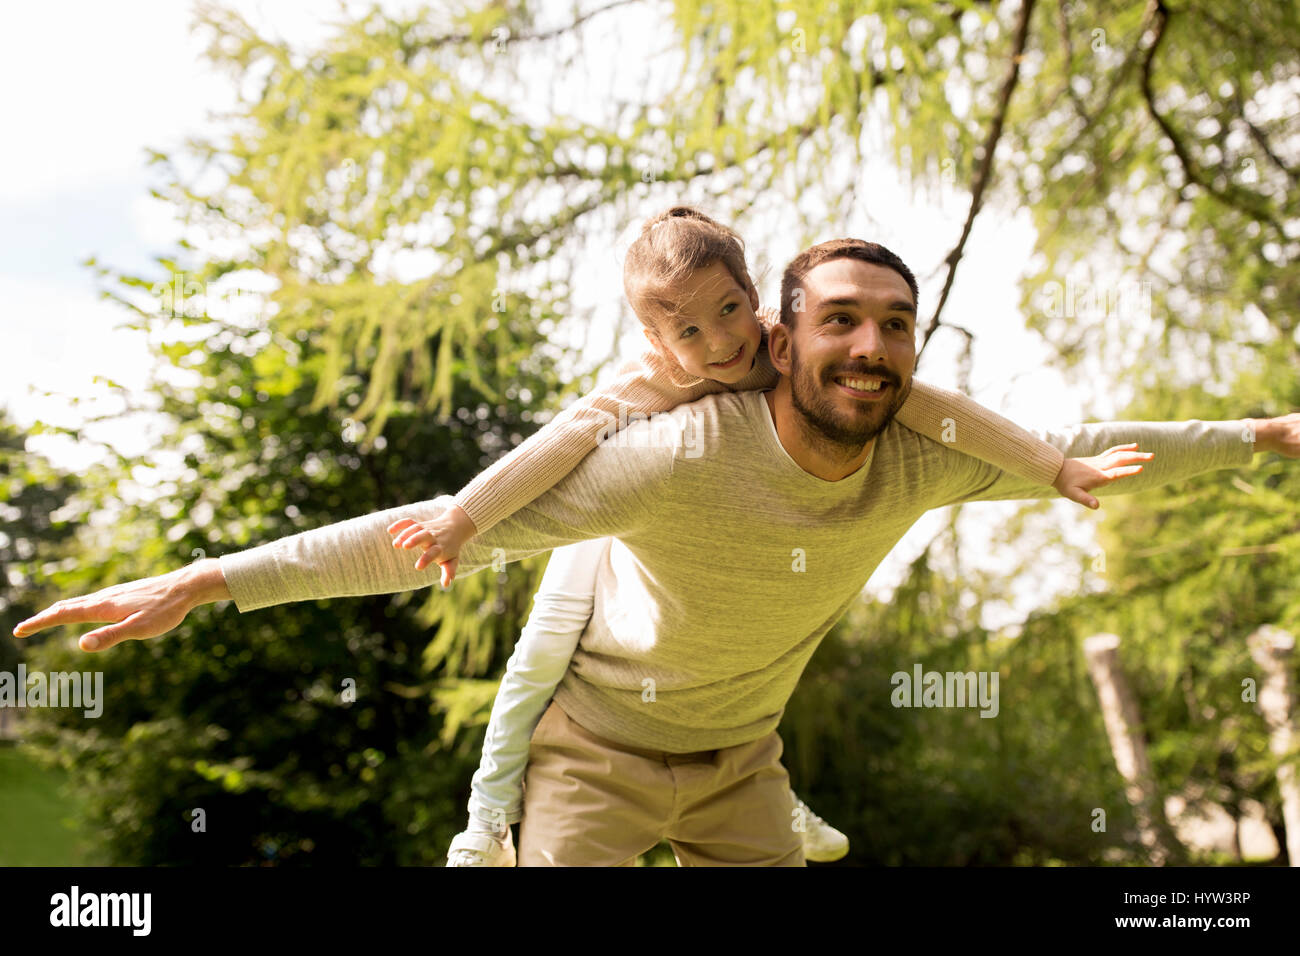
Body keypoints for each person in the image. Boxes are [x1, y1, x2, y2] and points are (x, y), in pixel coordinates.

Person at [15, 236, 1296, 867]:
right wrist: (208, 580)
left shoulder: (927, 449)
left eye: (895, 325)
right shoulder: (676, 453)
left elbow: (1095, 438)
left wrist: (1264, 433)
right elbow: (433, 537)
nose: (870, 346)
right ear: (780, 340)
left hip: (743, 766)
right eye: (840, 319)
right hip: (596, 753)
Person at [386, 207, 1139, 866]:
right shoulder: (649, 383)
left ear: (756, 301)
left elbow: (941, 410)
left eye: (729, 311)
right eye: (687, 330)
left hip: (693, 537)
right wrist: (464, 516)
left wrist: (1054, 467)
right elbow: (558, 443)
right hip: (615, 527)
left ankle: (770, 800)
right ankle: (486, 820)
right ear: (655, 338)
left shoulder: (789, 349)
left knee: (753, 649)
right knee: (538, 655)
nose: (718, 342)